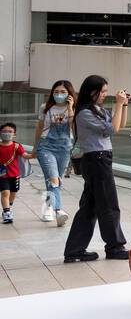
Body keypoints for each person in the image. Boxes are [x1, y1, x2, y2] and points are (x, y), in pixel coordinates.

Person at [63, 75, 130, 263]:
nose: (104, 95)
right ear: (91, 91)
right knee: (108, 204)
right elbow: (112, 130)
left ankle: (75, 250)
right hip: (96, 160)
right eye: (102, 91)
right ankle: (115, 247)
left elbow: (119, 125)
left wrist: (123, 105)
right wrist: (117, 105)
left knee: (89, 207)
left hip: (100, 159)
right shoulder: (84, 113)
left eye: (106, 91)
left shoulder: (97, 110)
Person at [33, 79, 76, 225]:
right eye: (56, 92)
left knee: (55, 180)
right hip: (46, 146)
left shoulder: (74, 109)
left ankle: (48, 208)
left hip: (64, 148)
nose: (59, 95)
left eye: (63, 92)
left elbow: (73, 126)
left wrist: (70, 107)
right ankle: (59, 210)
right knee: (53, 178)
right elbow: (39, 127)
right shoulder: (45, 107)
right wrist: (34, 148)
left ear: (70, 94)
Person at [0, 123, 29, 225]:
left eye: (9, 132)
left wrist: (33, 155)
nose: (6, 133)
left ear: (14, 134)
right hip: (2, 176)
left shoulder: (17, 146)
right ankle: (7, 213)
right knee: (5, 193)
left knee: (13, 193)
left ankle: (8, 206)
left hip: (14, 175)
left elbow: (24, 155)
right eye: (4, 131)